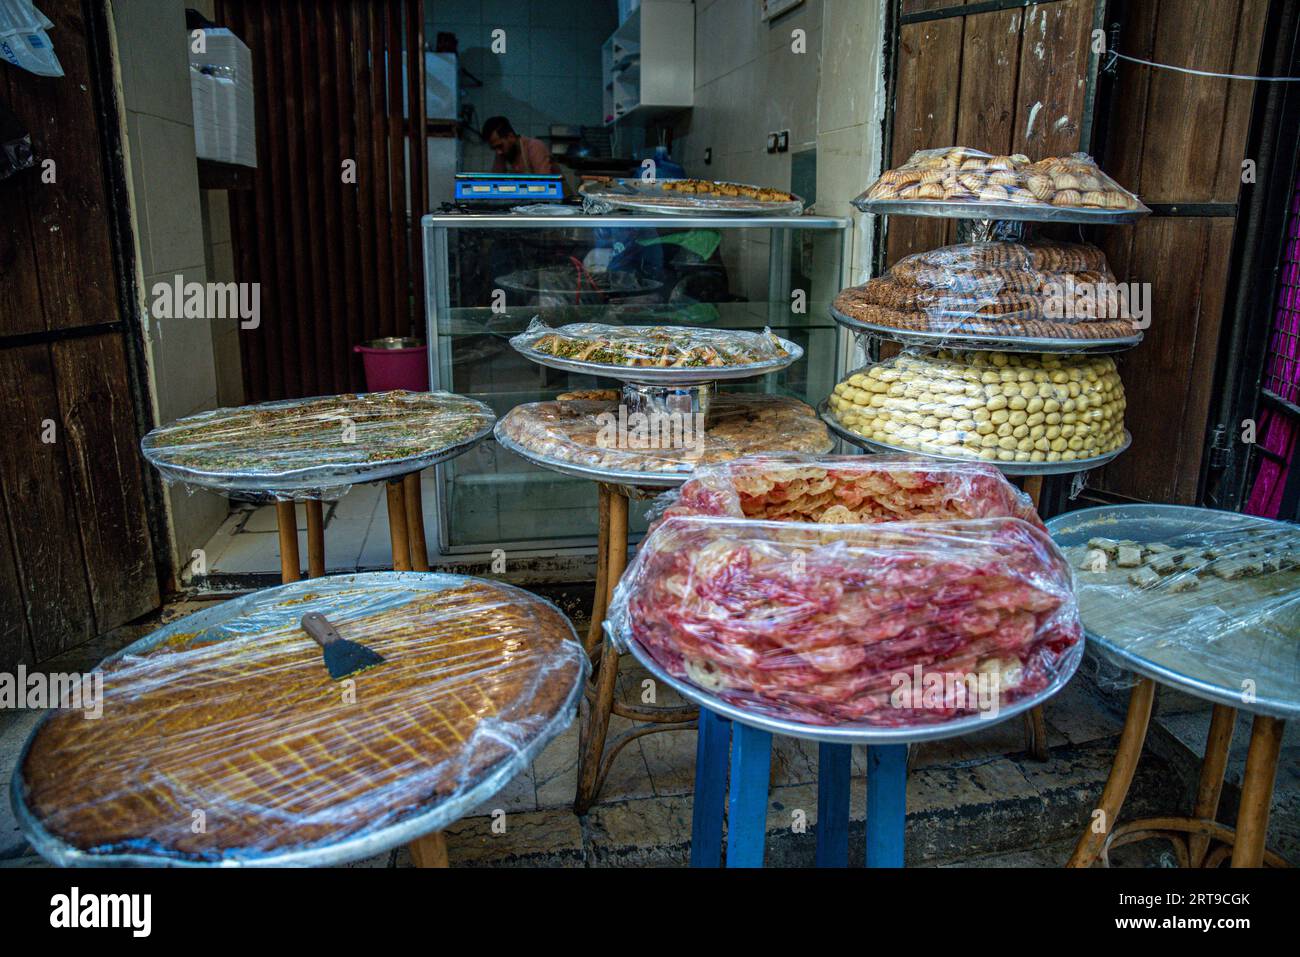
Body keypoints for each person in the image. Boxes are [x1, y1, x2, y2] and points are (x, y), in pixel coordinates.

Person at [482, 115, 560, 175]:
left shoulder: (534, 147)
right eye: (494, 148)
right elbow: (494, 182)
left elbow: (546, 185)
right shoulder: (502, 152)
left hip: (560, 194)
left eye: (500, 146)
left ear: (510, 136)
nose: (498, 152)